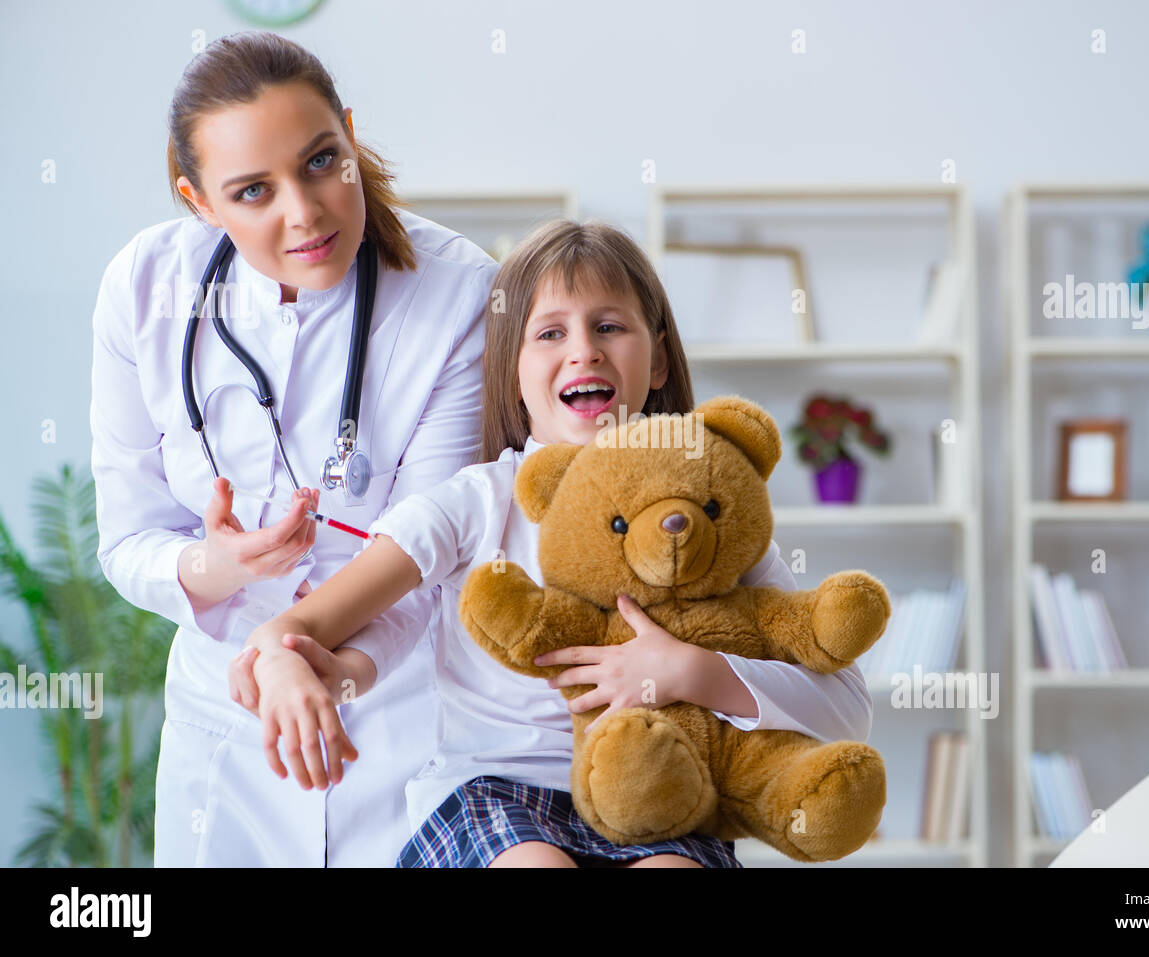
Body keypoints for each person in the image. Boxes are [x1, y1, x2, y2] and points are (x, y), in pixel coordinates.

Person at [230, 220, 875, 867]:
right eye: (550, 332)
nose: (584, 351)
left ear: (658, 362)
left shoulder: (711, 523)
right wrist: (285, 661)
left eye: (609, 326)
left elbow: (847, 713)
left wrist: (690, 671)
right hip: (494, 793)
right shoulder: (476, 503)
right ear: (512, 373)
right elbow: (302, 626)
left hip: (657, 796)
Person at [90, 31, 498, 866]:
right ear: (198, 200)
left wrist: (319, 670)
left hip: (403, 720)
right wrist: (223, 568)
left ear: (349, 134)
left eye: (321, 161)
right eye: (252, 191)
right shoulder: (143, 289)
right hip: (223, 726)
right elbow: (128, 542)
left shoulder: (460, 290)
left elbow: (433, 552)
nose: (304, 213)